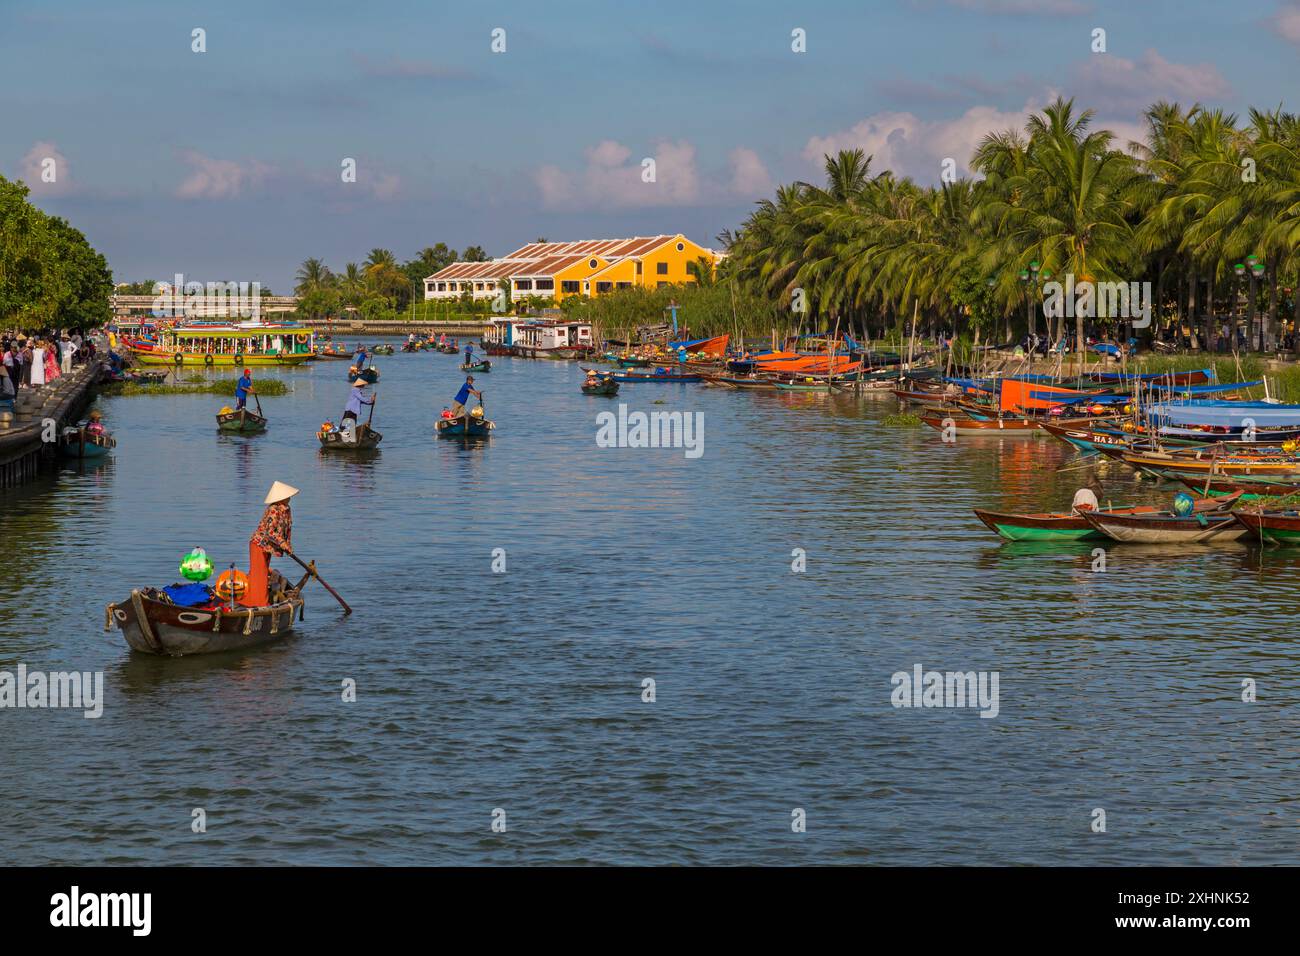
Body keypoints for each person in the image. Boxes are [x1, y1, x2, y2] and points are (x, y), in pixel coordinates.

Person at [244, 481, 297, 607]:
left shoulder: (287, 510)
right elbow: (270, 532)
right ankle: (258, 603)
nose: (289, 498)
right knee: (259, 576)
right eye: (287, 496)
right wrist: (283, 544)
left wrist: (288, 546)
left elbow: (286, 530)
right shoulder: (273, 510)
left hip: (268, 547)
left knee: (261, 574)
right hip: (259, 544)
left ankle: (257, 601)